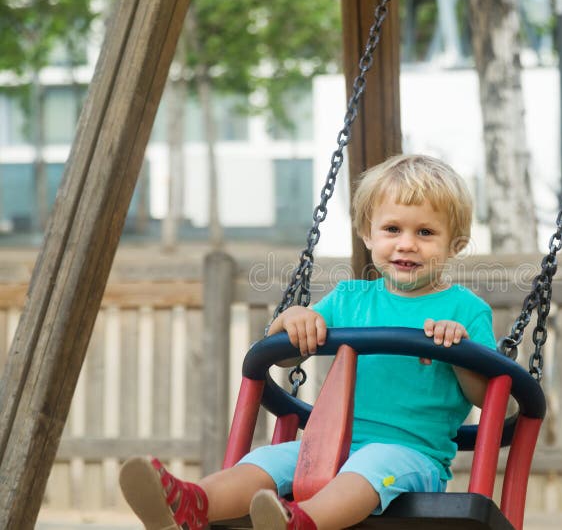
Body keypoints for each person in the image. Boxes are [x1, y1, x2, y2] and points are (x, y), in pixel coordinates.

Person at [119, 154, 496, 530]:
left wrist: (459, 354)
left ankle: (302, 524)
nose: (407, 244)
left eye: (425, 233)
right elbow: (284, 356)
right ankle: (190, 504)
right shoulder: (349, 299)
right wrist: (293, 319)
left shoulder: (465, 311)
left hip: (412, 457)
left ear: (456, 244)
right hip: (331, 445)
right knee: (269, 461)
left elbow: (489, 397)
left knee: (372, 464)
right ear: (368, 234)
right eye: (392, 229)